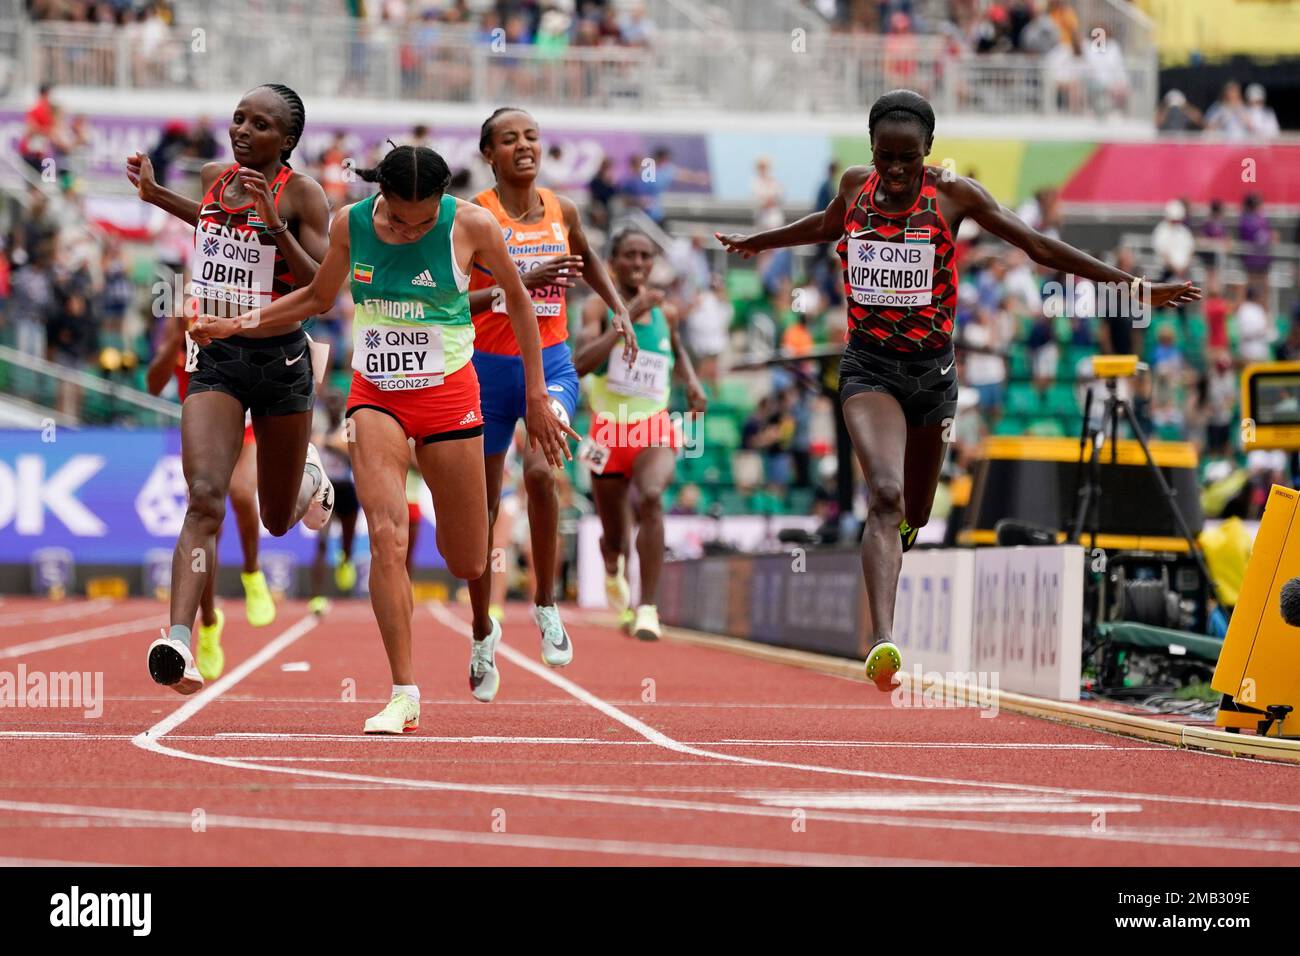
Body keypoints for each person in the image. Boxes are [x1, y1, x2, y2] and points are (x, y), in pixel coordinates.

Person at [716, 89, 1200, 692]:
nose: (894, 171)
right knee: (885, 496)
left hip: (934, 380)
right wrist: (759, 243)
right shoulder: (852, 185)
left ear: (928, 154)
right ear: (871, 149)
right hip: (868, 369)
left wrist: (1131, 286)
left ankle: (907, 529)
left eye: (908, 159)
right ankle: (882, 642)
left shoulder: (953, 196)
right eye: (885, 156)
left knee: (915, 509)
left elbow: (1039, 246)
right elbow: (823, 226)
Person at [200, 144, 575, 733]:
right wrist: (238, 323)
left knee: (466, 558)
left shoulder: (472, 223)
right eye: (400, 217)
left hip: (451, 396)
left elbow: (520, 304)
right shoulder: (350, 222)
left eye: (424, 219)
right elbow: (319, 298)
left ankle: (483, 628)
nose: (410, 227)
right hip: (376, 395)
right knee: (387, 536)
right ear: (382, 196)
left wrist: (534, 394)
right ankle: (404, 693)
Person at [131, 84, 334, 695]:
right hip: (217, 356)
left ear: (287, 140)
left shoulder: (304, 194)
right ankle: (178, 640)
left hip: (281, 363)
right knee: (205, 498)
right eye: (239, 119)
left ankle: (307, 478)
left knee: (274, 519)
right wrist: (157, 195)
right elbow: (213, 225)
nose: (242, 131)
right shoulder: (220, 177)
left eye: (260, 124)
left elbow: (319, 286)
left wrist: (275, 226)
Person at [465, 107, 635, 688]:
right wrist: (518, 287)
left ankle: (544, 604)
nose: (524, 146)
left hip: (554, 366)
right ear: (489, 153)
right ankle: (482, 631)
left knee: (541, 474)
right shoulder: (472, 218)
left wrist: (619, 309)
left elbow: (587, 259)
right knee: (482, 508)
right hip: (485, 374)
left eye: (532, 137)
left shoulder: (563, 210)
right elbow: (449, 306)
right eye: (509, 139)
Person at [574, 228, 706, 639]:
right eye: (628, 255)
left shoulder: (664, 312)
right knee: (613, 534)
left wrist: (691, 381)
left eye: (644, 256)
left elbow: (676, 348)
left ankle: (647, 607)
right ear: (611, 263)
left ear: (652, 263)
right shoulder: (595, 309)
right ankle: (613, 565)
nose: (637, 263)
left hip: (652, 426)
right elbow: (581, 364)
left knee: (651, 497)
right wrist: (625, 317)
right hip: (606, 434)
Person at [145, 308, 275, 679]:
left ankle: (252, 573)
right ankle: (210, 622)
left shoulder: (235, 316)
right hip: (207, 436)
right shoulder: (180, 335)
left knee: (242, 493)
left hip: (247, 428)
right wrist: (172, 344)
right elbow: (153, 385)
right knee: (206, 524)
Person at [308, 388, 360, 615]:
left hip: (346, 488)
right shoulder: (316, 423)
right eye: (330, 402)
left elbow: (351, 451)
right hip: (324, 488)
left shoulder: (349, 423)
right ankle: (317, 596)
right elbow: (309, 446)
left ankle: (345, 560)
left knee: (347, 542)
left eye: (337, 402)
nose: (333, 406)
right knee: (321, 543)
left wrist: (328, 442)